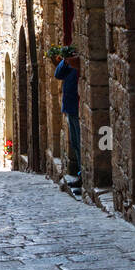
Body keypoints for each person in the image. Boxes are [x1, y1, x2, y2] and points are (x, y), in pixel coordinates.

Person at [54, 51, 81, 186]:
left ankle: (82, 175)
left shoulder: (78, 64)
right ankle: (81, 174)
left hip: (78, 106)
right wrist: (65, 61)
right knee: (76, 143)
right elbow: (57, 74)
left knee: (80, 142)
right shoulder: (68, 65)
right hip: (70, 107)